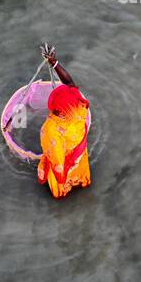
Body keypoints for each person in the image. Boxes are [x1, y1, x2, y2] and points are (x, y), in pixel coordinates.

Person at [36, 44, 91, 199]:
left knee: (62, 178)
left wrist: (59, 173)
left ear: (57, 110)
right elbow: (69, 83)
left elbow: (55, 157)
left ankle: (62, 190)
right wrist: (54, 63)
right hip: (79, 155)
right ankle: (80, 181)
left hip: (64, 161)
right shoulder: (79, 106)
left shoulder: (51, 129)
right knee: (78, 171)